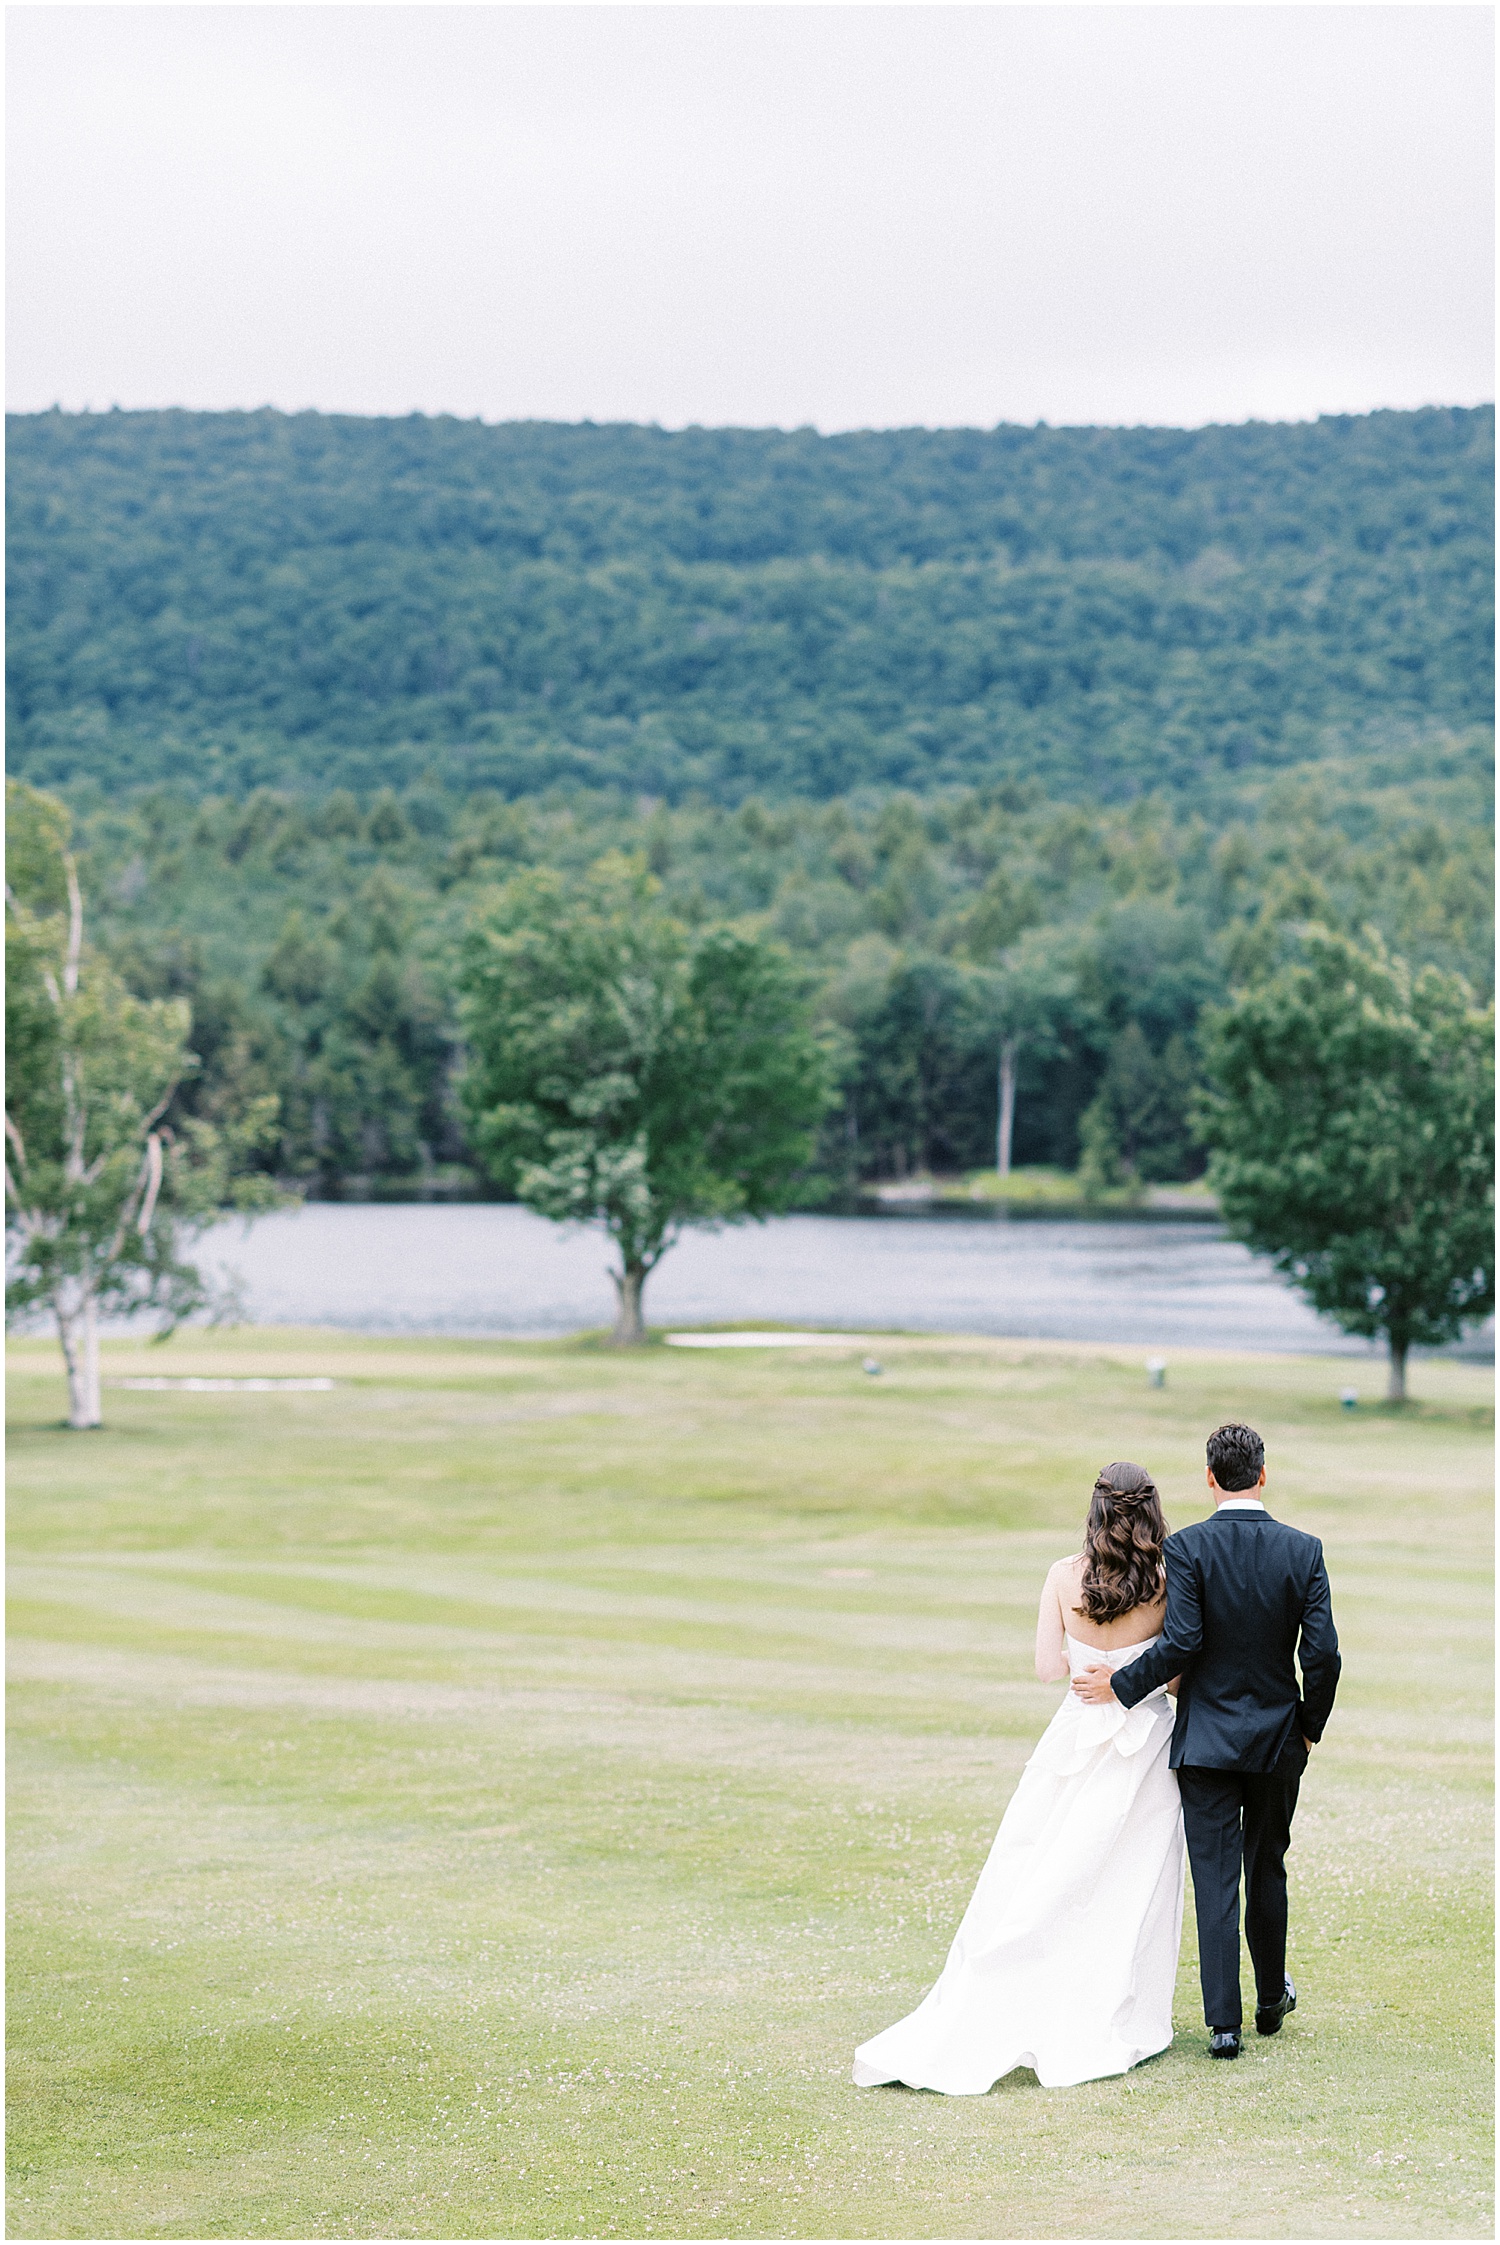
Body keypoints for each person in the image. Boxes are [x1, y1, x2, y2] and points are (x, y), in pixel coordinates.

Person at [852, 1462, 1185, 2094]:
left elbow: (1044, 1669)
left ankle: (1018, 1990)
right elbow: (1173, 1678)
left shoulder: (1063, 1577)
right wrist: (1128, 1671)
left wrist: (1091, 1661)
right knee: (1131, 1886)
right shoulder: (1167, 1582)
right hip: (1144, 1748)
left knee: (1040, 1871)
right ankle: (1117, 2011)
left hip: (1074, 1741)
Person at [1073, 1421, 1340, 2059]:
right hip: (1278, 1740)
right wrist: (1309, 1728)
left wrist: (1122, 1683)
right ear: (1263, 1474)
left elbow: (1183, 1642)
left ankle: (1224, 2026)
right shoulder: (1304, 1549)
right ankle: (1271, 1999)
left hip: (1207, 1744)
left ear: (1211, 1477)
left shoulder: (1188, 1548)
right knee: (1266, 1865)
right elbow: (1323, 1653)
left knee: (1215, 1877)